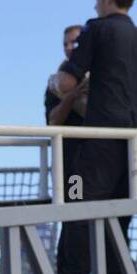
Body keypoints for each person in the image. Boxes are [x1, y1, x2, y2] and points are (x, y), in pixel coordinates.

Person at [47, 0, 137, 274]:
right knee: (118, 222)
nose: (95, 3)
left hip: (99, 142)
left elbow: (66, 80)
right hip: (135, 145)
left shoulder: (96, 29)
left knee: (79, 216)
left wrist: (75, 86)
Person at [46, 24, 88, 168]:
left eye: (74, 43)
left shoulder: (105, 76)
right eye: (65, 44)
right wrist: (70, 97)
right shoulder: (54, 83)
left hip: (104, 164)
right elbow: (52, 122)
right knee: (74, 191)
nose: (69, 48)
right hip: (73, 165)